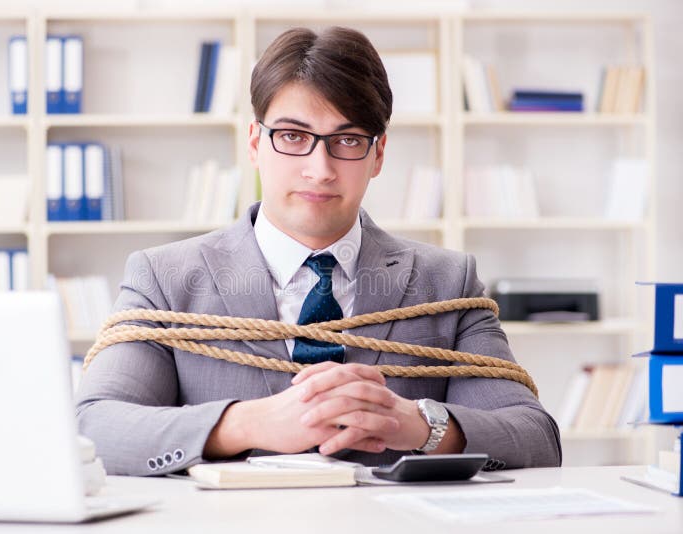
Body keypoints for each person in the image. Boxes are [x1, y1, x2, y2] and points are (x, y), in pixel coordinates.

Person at [76, 26, 561, 476]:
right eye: (293, 136)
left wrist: (418, 425)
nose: (320, 168)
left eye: (347, 140)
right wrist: (245, 424)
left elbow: (536, 438)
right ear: (254, 143)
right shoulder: (165, 278)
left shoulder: (446, 282)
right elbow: (94, 428)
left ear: (378, 155)